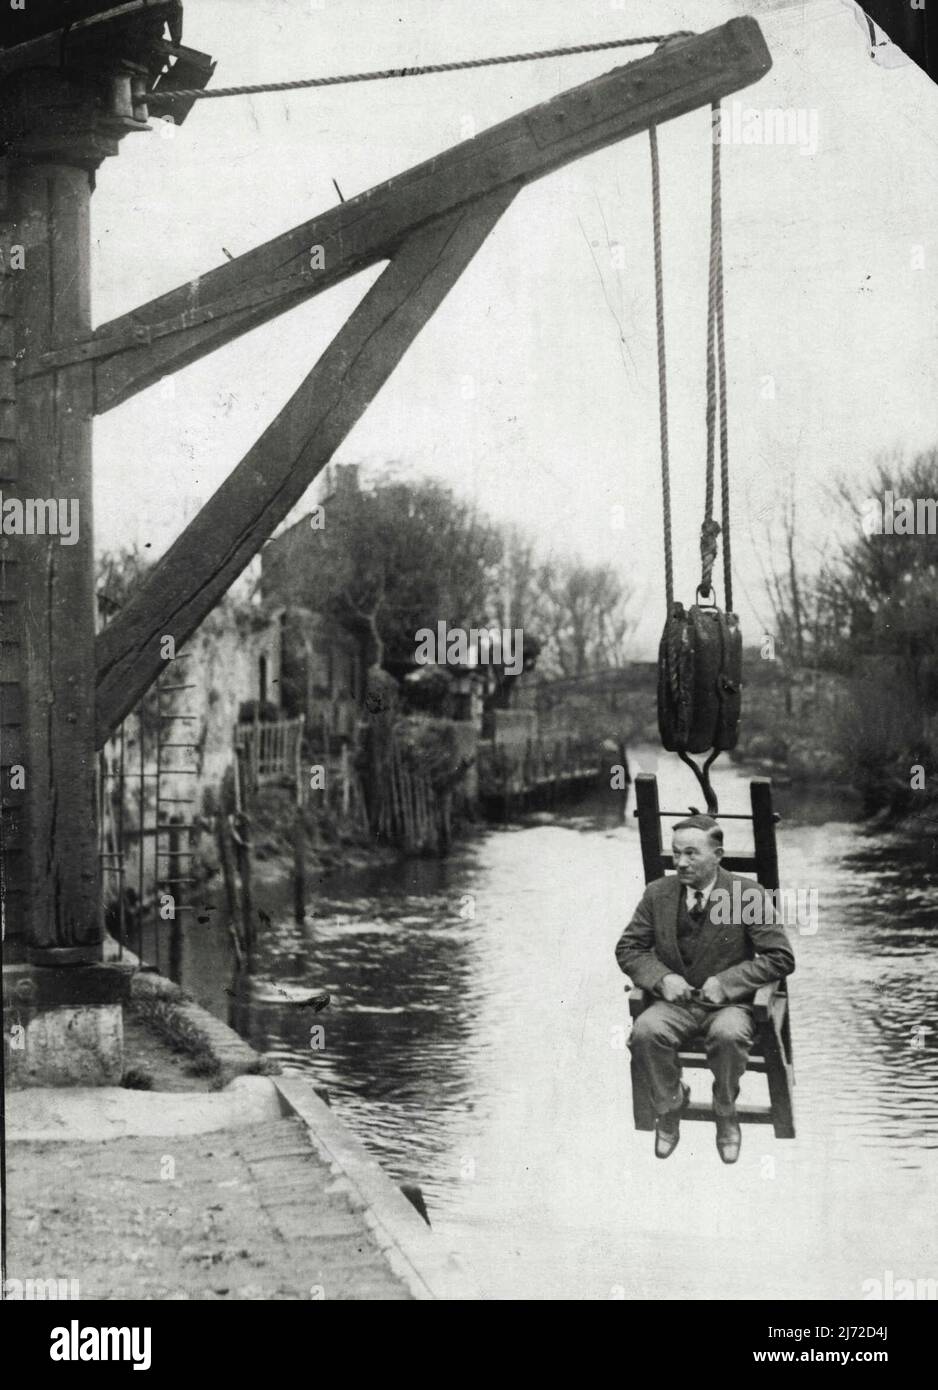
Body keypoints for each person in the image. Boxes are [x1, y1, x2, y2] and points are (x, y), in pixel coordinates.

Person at [614, 813, 794, 1163]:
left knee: (729, 1036)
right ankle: (670, 1105)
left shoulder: (745, 895)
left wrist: (727, 984)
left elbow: (780, 958)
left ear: (718, 854)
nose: (681, 863)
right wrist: (661, 978)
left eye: (692, 854)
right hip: (675, 1005)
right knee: (645, 1032)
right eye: (677, 853)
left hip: (730, 1006)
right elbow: (629, 948)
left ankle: (725, 1110)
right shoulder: (658, 894)